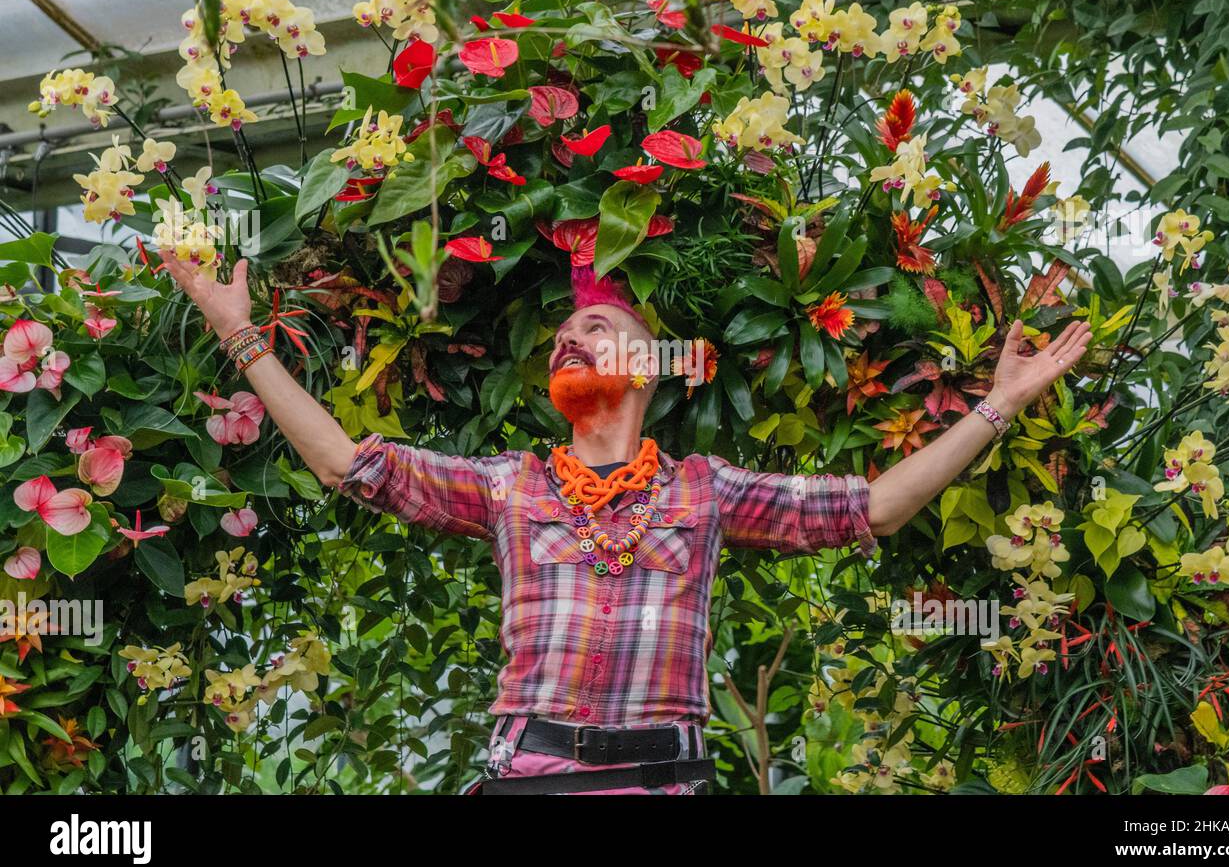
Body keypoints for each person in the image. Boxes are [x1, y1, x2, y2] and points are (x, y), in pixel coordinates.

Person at [159, 248, 1092, 794]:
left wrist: (1000, 402)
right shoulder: (511, 485)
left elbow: (878, 506)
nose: (572, 338)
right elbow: (344, 462)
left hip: (659, 780)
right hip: (529, 775)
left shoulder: (708, 489)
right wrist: (238, 333)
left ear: (647, 371)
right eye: (565, 338)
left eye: (597, 331)